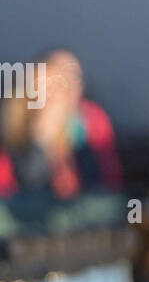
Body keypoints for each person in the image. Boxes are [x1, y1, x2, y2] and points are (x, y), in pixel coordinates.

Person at [0, 49, 121, 199]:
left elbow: (106, 183)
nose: (66, 83)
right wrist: (43, 132)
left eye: (74, 76)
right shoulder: (11, 116)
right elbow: (21, 188)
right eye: (57, 72)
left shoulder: (92, 120)